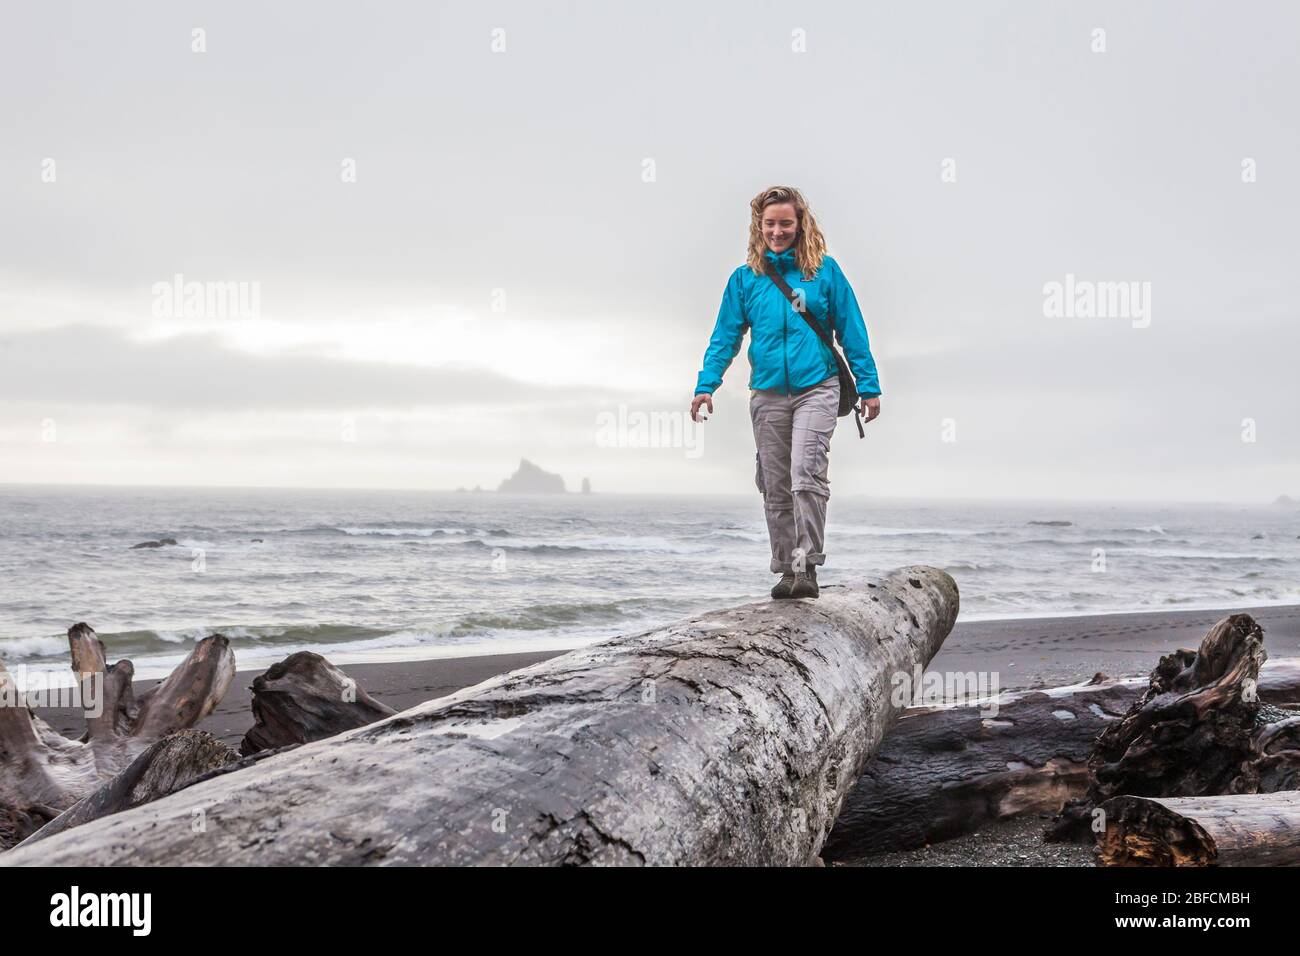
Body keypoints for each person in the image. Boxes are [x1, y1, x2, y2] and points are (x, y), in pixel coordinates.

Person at [690, 186, 881, 600]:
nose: (778, 231)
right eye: (770, 224)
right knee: (775, 484)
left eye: (786, 223)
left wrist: (869, 386)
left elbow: (852, 331)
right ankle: (786, 569)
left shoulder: (824, 272)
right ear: (759, 227)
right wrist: (707, 385)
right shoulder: (745, 280)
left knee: (804, 475)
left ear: (800, 224)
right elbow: (725, 337)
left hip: (818, 387)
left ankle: (807, 566)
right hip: (768, 394)